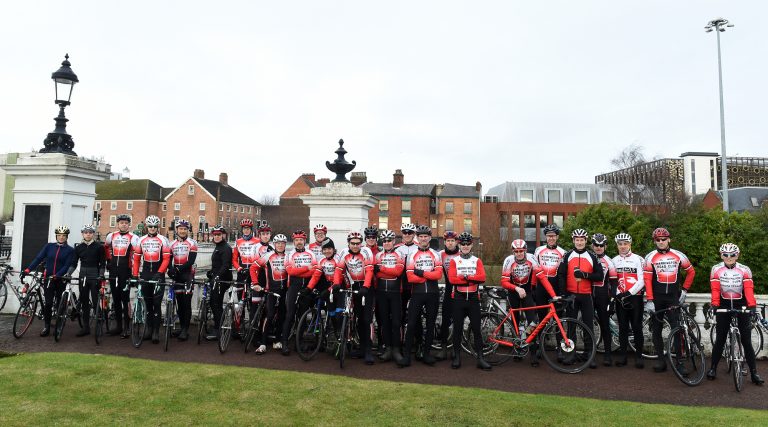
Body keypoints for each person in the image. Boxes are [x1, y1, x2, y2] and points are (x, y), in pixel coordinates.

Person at [707, 243, 764, 385]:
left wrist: (752, 306)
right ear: (721, 255)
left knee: (746, 341)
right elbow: (715, 289)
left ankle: (754, 373)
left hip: (741, 304)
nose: (729, 257)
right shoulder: (716, 269)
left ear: (737, 255)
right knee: (720, 339)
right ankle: (713, 368)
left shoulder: (744, 269)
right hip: (723, 305)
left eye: (732, 255)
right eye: (725, 255)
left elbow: (749, 289)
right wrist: (715, 305)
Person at [643, 227, 695, 373]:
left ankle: (680, 363)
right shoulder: (650, 257)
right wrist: (650, 300)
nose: (661, 242)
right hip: (657, 298)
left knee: (677, 329)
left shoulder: (678, 255)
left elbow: (691, 272)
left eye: (663, 239)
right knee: (656, 329)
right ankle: (661, 361)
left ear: (669, 239)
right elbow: (647, 279)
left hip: (673, 297)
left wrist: (684, 290)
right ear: (654, 241)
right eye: (658, 240)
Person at [500, 239, 556, 366]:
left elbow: (542, 278)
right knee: (515, 321)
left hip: (527, 292)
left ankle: (533, 353)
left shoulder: (532, 258)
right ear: (513, 251)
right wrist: (516, 288)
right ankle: (517, 350)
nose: (519, 253)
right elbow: (503, 282)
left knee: (533, 322)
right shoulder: (509, 260)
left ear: (525, 250)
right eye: (516, 251)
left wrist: (554, 295)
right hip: (513, 291)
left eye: (521, 251)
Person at [557, 228, 603, 368]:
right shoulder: (567, 255)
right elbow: (561, 275)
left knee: (588, 325)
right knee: (571, 326)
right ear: (573, 241)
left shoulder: (592, 256)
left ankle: (589, 355)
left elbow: (599, 276)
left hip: (586, 295)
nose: (579, 242)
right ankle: (571, 354)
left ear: (586, 241)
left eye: (582, 240)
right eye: (577, 240)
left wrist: (585, 275)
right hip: (571, 296)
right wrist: (563, 294)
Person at [328, 231, 375, 364]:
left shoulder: (366, 252)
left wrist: (366, 287)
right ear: (348, 243)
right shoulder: (344, 253)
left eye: (357, 243)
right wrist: (336, 283)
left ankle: (368, 350)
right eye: (353, 243)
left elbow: (370, 271)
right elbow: (338, 270)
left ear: (361, 244)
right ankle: (361, 348)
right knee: (357, 318)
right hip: (353, 286)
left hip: (366, 287)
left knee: (366, 319)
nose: (355, 246)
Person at [399, 225, 443, 367]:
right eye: (421, 236)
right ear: (417, 238)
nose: (423, 239)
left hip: (432, 294)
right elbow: (410, 277)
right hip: (417, 293)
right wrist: (428, 276)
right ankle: (407, 356)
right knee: (411, 324)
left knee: (430, 325)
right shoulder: (412, 255)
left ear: (430, 237)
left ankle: (426, 354)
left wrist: (421, 273)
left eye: (426, 236)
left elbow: (438, 275)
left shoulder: (435, 254)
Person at [447, 232, 491, 371]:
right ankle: (457, 357)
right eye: (463, 244)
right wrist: (472, 278)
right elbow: (452, 279)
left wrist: (465, 277)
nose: (465, 246)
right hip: (458, 299)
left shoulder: (477, 260)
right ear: (459, 245)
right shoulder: (454, 261)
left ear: (472, 245)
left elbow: (482, 277)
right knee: (457, 329)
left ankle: (480, 358)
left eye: (468, 244)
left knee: (477, 330)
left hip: (473, 299)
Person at [21, 225, 75, 337]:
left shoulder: (70, 250)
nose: (61, 237)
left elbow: (67, 265)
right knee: (48, 303)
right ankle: (46, 326)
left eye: (63, 235)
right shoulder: (49, 246)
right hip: (48, 279)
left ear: (66, 237)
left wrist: (57, 275)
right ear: (56, 236)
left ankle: (59, 324)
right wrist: (28, 269)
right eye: (59, 235)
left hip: (60, 279)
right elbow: (38, 258)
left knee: (60, 303)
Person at [131, 215, 171, 344]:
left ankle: (156, 332)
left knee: (156, 304)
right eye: (150, 226)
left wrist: (160, 273)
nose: (152, 228)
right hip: (146, 274)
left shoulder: (163, 240)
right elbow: (136, 259)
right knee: (147, 304)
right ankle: (148, 330)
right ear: (146, 227)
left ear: (157, 227)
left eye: (154, 226)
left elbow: (166, 259)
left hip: (158, 274)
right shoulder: (141, 240)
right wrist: (135, 274)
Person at [611, 232, 646, 369]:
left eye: (625, 244)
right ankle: (623, 357)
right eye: (620, 244)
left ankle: (639, 357)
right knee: (623, 328)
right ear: (617, 245)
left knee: (637, 327)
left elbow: (642, 279)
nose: (623, 246)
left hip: (635, 297)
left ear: (630, 244)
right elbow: (612, 280)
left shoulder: (638, 259)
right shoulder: (614, 260)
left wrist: (629, 293)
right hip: (620, 298)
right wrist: (619, 294)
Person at [280, 230, 317, 355]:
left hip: (307, 287)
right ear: (294, 242)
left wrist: (300, 271)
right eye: (296, 240)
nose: (299, 242)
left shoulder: (311, 253)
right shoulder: (289, 254)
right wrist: (306, 268)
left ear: (304, 241)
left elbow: (314, 271)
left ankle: (298, 343)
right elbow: (290, 271)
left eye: (301, 240)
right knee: (290, 315)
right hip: (294, 287)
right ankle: (285, 343)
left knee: (302, 316)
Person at [249, 233, 288, 354]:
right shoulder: (268, 256)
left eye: (282, 243)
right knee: (269, 315)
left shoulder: (289, 256)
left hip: (285, 291)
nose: (280, 245)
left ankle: (277, 340)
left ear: (285, 244)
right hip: (271, 290)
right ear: (274, 244)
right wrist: (255, 283)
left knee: (282, 316)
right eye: (278, 243)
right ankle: (263, 343)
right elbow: (253, 268)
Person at [66, 224, 106, 337]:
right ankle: (86, 327)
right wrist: (68, 273)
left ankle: (99, 323)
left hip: (94, 276)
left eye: (90, 232)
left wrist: (101, 275)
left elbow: (103, 263)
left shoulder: (99, 247)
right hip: (83, 276)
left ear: (93, 234)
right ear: (82, 234)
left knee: (95, 300)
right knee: (84, 302)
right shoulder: (79, 247)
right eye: (85, 232)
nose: (88, 234)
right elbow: (74, 263)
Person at [104, 214, 139, 337]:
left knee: (125, 299)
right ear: (118, 224)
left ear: (129, 224)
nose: (123, 225)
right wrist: (108, 260)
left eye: (126, 223)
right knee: (116, 298)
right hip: (113, 271)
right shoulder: (111, 236)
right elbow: (105, 248)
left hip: (126, 271)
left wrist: (134, 273)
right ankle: (119, 326)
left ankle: (127, 327)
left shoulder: (134, 237)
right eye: (121, 223)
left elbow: (137, 255)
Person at [373, 230, 405, 363]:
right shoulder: (378, 255)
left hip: (395, 293)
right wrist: (386, 272)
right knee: (384, 322)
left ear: (394, 241)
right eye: (384, 241)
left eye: (389, 240)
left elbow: (398, 272)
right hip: (381, 293)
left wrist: (382, 269)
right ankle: (388, 349)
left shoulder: (400, 254)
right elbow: (376, 274)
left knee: (397, 322)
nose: (386, 243)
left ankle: (397, 350)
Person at [590, 233, 618, 367]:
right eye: (596, 245)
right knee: (588, 325)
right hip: (589, 295)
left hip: (603, 297)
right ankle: (590, 355)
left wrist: (612, 300)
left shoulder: (609, 261)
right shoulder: (587, 257)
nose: (599, 247)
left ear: (605, 246)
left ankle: (607, 355)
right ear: (592, 245)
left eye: (601, 245)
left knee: (605, 325)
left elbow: (614, 283)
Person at [168, 219, 198, 341]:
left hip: (188, 275)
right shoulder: (172, 244)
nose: (183, 231)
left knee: (186, 303)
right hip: (177, 275)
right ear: (177, 230)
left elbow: (191, 261)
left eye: (185, 229)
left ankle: (185, 329)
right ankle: (181, 327)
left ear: (188, 230)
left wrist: (177, 269)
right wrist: (170, 269)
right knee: (179, 303)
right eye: (180, 229)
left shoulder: (192, 243)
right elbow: (168, 260)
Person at [395, 223, 419, 356]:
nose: (407, 235)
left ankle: (416, 343)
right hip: (401, 287)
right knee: (400, 315)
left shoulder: (419, 247)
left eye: (410, 233)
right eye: (405, 232)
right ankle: (400, 343)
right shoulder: (397, 248)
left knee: (415, 316)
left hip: (415, 287)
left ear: (414, 234)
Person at [534, 224, 566, 324]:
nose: (551, 238)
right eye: (549, 236)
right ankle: (542, 333)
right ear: (546, 237)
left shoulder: (563, 252)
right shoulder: (538, 250)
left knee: (558, 314)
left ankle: (558, 333)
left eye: (553, 236)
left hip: (555, 285)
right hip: (541, 285)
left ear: (557, 237)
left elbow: (563, 273)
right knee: (541, 314)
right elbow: (534, 268)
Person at [436, 231, 460, 361]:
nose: (450, 243)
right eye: (448, 241)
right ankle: (444, 348)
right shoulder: (440, 254)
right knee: (445, 320)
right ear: (444, 242)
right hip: (449, 289)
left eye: (452, 241)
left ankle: (456, 350)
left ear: (456, 242)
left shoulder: (461, 254)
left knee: (458, 321)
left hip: (461, 291)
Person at [207, 226, 232, 340]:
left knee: (215, 303)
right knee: (215, 303)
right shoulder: (219, 246)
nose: (216, 237)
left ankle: (218, 329)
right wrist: (211, 273)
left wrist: (217, 276)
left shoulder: (225, 248)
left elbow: (225, 265)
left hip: (222, 280)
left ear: (223, 235)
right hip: (217, 278)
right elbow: (217, 265)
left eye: (219, 235)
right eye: (215, 235)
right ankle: (219, 326)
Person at [232, 218, 260, 285]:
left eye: (248, 229)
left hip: (254, 271)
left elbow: (260, 258)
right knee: (240, 290)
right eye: (244, 229)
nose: (246, 231)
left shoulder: (257, 241)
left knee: (254, 290)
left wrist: (257, 268)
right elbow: (234, 259)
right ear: (242, 230)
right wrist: (239, 268)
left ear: (251, 230)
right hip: (242, 271)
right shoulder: (237, 242)